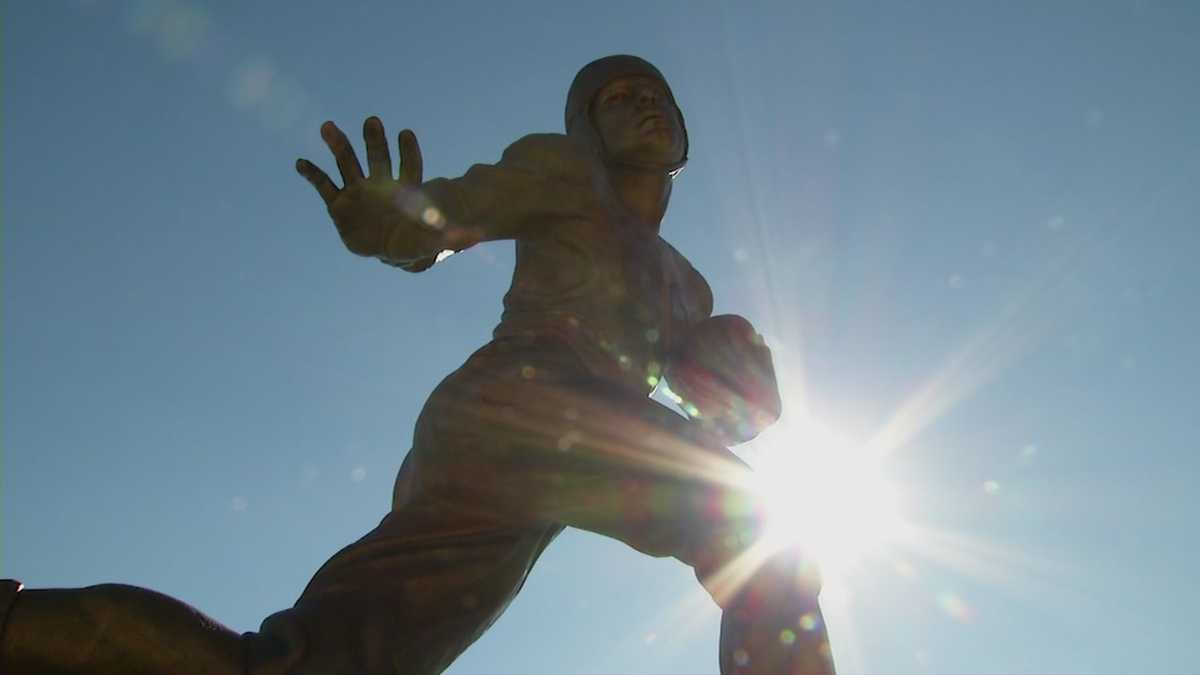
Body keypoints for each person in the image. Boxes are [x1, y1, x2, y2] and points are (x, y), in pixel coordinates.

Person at [0, 55, 833, 675]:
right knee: (755, 527)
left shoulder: (688, 286)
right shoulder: (564, 171)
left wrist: (750, 378)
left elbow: (728, 415)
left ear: (682, 135)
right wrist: (388, 224)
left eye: (655, 95)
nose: (642, 103)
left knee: (302, 664)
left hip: (529, 472)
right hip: (521, 403)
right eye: (615, 98)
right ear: (586, 130)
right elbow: (449, 215)